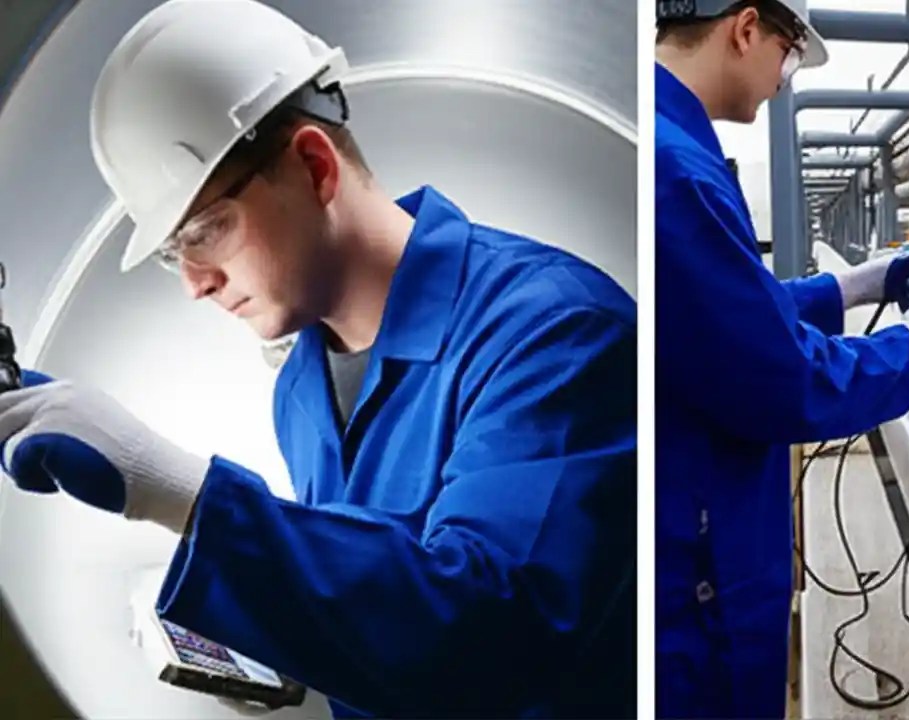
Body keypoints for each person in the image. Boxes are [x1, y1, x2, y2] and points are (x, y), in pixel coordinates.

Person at [0, 1, 636, 717]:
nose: (195, 283)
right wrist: (278, 634)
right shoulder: (302, 384)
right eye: (174, 253)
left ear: (312, 165)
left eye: (205, 232)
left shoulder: (555, 332)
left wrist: (181, 491)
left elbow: (485, 631)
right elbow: (375, 598)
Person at [654, 0, 909, 717]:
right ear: (746, 30)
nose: (784, 76)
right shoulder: (675, 172)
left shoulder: (670, 148)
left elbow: (727, 315)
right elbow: (779, 376)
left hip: (696, 527)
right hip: (699, 567)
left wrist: (854, 284)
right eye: (790, 53)